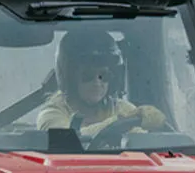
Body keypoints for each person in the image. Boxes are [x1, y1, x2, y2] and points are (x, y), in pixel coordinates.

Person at [33, 29, 168, 143]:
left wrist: (152, 125)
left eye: (104, 76)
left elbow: (140, 141)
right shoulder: (52, 114)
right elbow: (65, 141)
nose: (97, 82)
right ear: (70, 78)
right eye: (87, 76)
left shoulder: (122, 109)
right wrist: (121, 123)